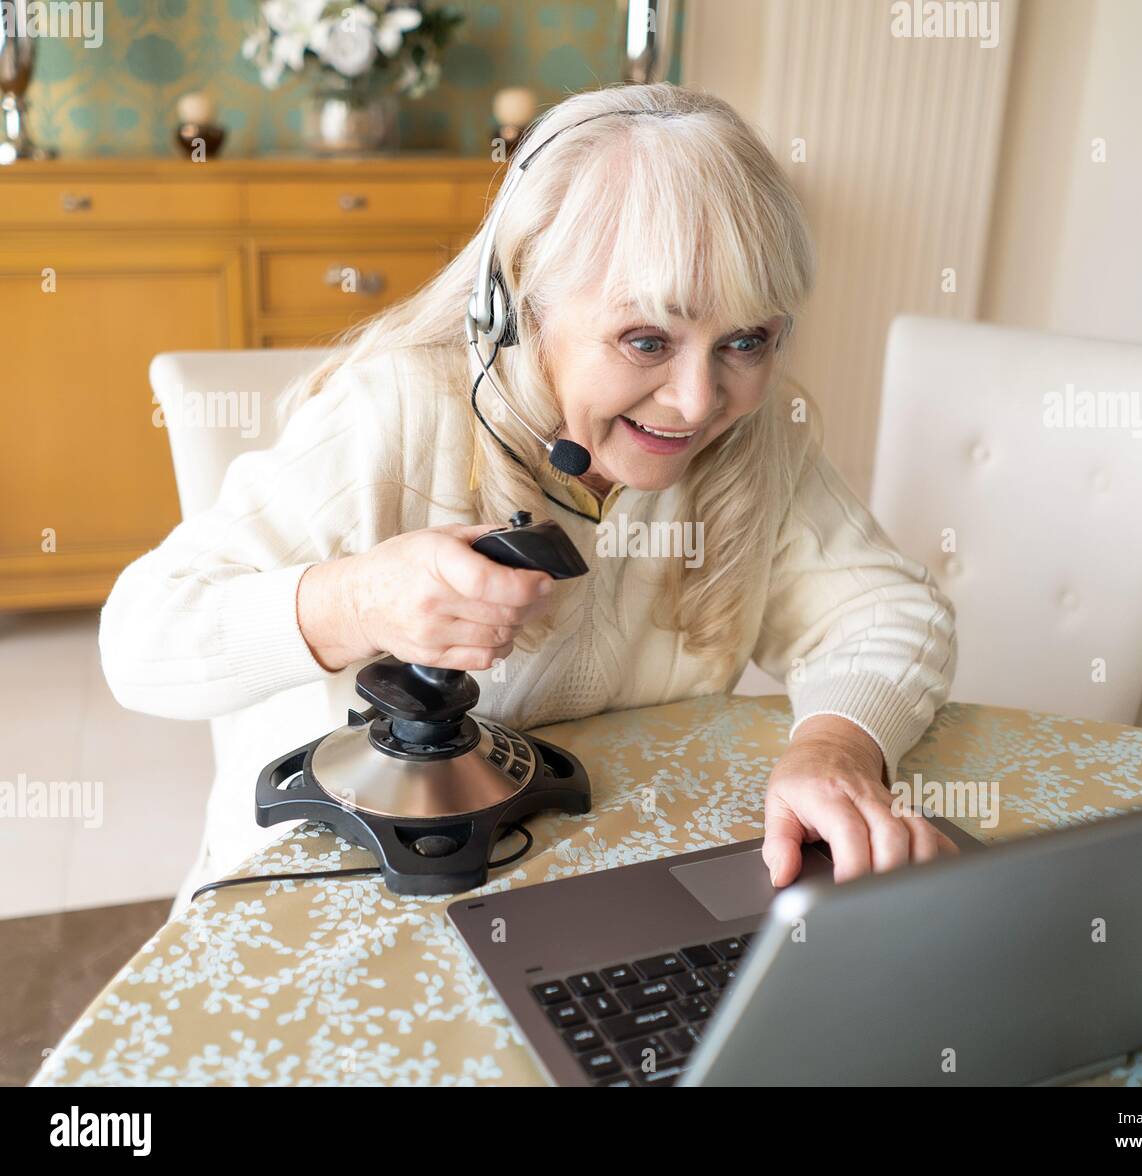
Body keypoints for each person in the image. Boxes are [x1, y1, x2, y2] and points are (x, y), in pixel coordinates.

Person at [99, 83, 958, 914]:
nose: (699, 401)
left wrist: (837, 745)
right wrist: (356, 601)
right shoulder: (393, 411)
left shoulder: (755, 441)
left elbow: (885, 612)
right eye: (646, 339)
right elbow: (141, 640)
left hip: (608, 894)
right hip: (340, 895)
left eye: (746, 340)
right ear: (515, 304)